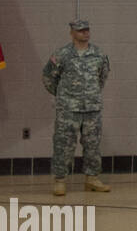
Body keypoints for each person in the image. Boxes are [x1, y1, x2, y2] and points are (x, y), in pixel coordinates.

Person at [42, 19, 110, 196]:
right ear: (72, 33)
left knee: (93, 145)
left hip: (92, 109)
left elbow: (101, 78)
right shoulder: (62, 54)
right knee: (63, 145)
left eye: (87, 30)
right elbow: (49, 78)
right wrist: (64, 96)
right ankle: (60, 180)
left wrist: (90, 94)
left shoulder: (98, 54)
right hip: (68, 109)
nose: (85, 33)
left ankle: (92, 179)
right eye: (80, 31)